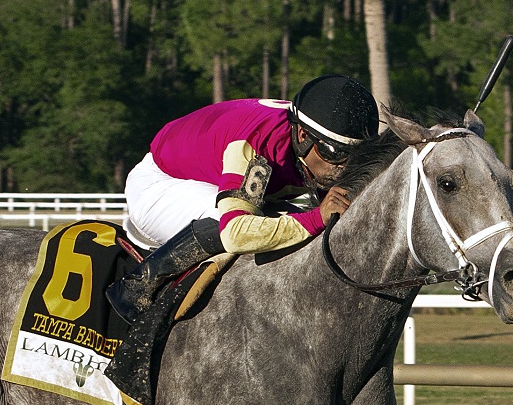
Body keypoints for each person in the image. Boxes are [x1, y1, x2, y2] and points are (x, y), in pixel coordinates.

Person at [108, 74, 379, 323]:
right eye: (334, 153)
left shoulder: (312, 135)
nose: (342, 168)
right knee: (241, 224)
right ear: (303, 135)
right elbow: (235, 233)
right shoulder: (260, 144)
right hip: (159, 185)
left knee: (286, 223)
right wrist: (315, 218)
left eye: (354, 156)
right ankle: (136, 288)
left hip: (208, 178)